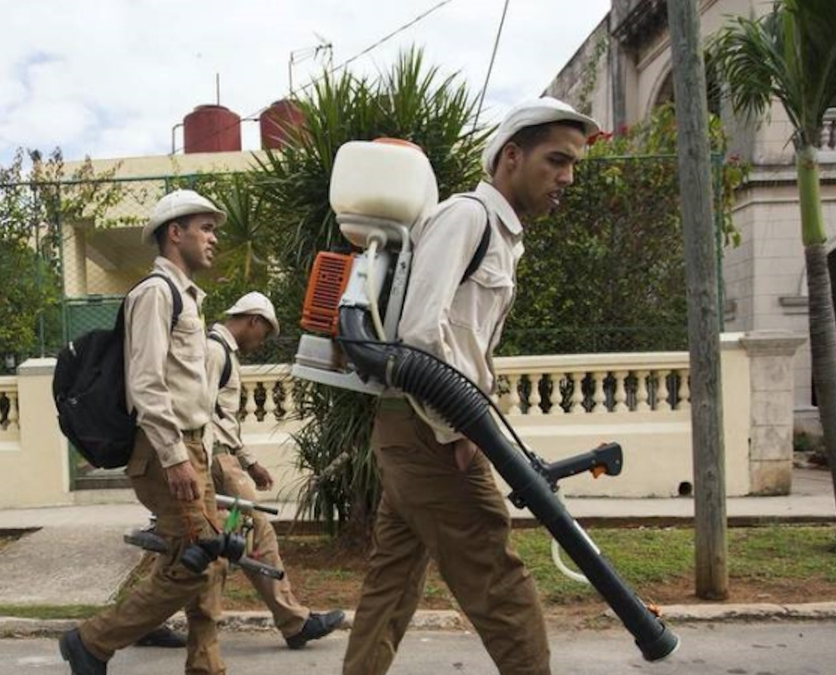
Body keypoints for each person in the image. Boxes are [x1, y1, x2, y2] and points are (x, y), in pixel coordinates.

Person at [341, 97, 597, 675]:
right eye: (556, 160)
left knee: (392, 581)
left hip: (413, 427)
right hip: (431, 429)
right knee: (498, 580)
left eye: (573, 165)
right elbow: (418, 336)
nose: (566, 177)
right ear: (511, 155)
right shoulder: (468, 218)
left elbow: (460, 343)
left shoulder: (503, 236)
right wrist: (460, 429)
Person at [60, 189, 226, 675]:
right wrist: (176, 457)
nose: (214, 238)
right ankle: (91, 641)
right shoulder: (156, 293)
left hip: (190, 446)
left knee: (208, 562)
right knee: (193, 564)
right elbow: (147, 383)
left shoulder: (186, 296)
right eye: (206, 227)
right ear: (175, 233)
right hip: (164, 450)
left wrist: (198, 451)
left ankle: (206, 665)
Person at [133, 292, 346, 650]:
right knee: (252, 531)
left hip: (217, 458)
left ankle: (143, 620)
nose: (260, 342)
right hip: (215, 461)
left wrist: (246, 460)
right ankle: (293, 622)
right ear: (253, 321)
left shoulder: (218, 350)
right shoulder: (216, 351)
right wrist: (241, 461)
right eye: (263, 333)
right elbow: (203, 413)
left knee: (189, 544)